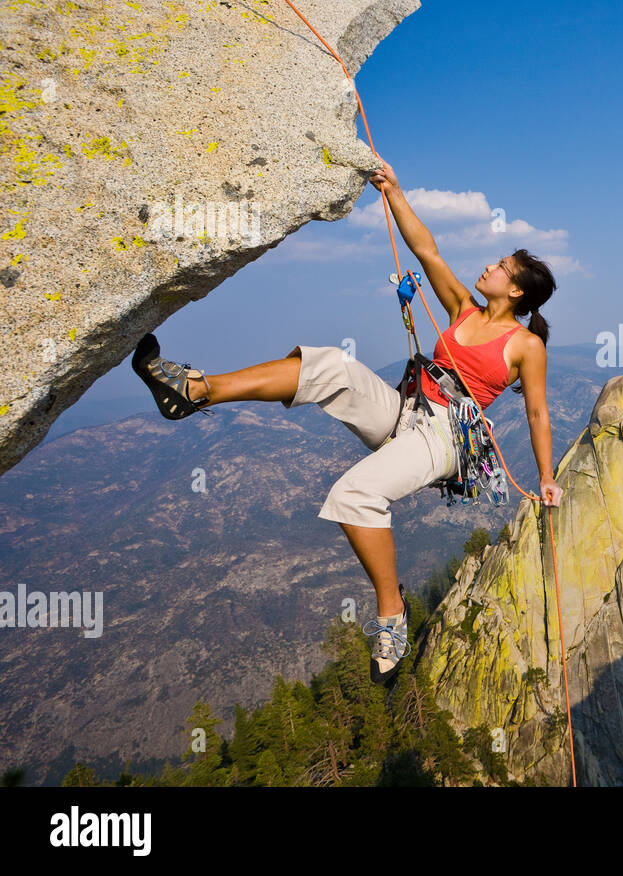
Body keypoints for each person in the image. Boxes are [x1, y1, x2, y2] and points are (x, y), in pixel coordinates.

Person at [131, 158, 562, 685]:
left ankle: (391, 613)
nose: (490, 267)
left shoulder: (526, 346)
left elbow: (537, 411)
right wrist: (394, 190)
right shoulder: (462, 310)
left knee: (355, 494)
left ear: (515, 291)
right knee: (331, 365)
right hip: (406, 411)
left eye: (501, 266)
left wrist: (545, 476)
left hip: (447, 437)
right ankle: (194, 391)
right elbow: (426, 247)